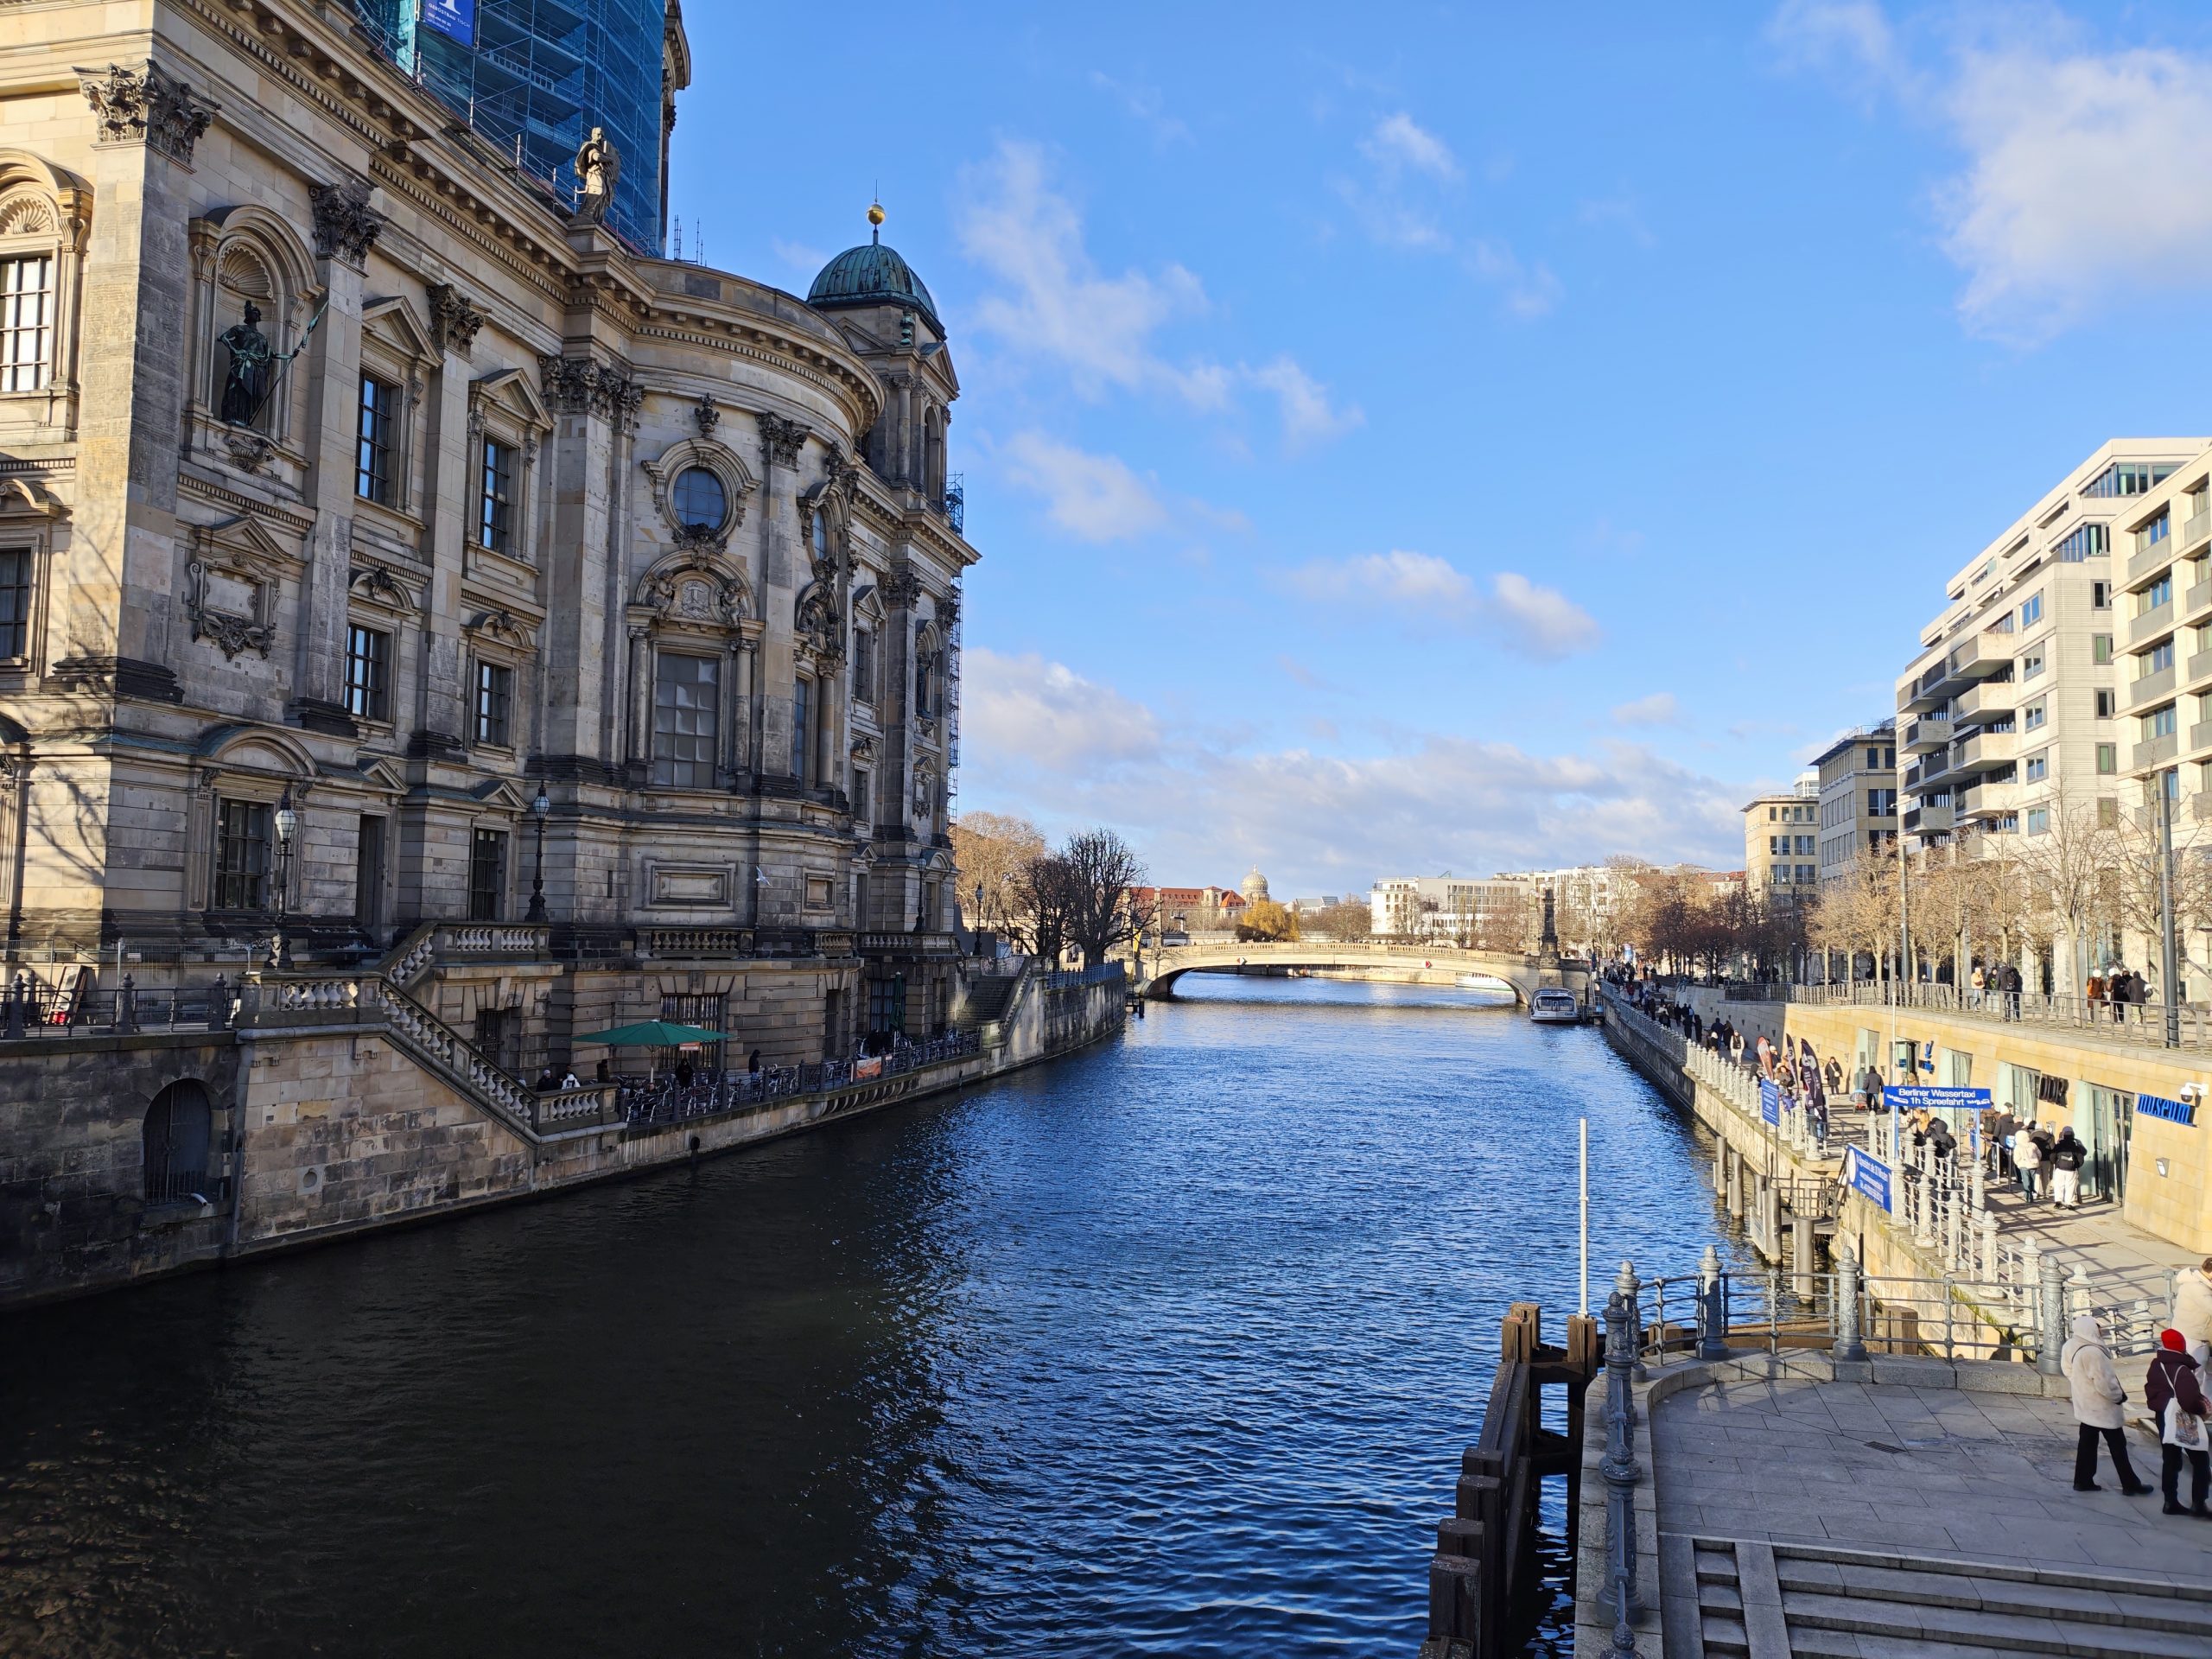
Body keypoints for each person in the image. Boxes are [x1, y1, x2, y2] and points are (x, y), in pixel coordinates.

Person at [2064, 1313, 2151, 1495]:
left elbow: (2068, 1370)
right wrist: (2118, 1397)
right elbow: (2105, 1382)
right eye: (2098, 1328)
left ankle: (2083, 1480)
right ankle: (2130, 1484)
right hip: (2102, 1407)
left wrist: (2080, 1385)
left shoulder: (2071, 1345)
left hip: (2086, 1404)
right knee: (2118, 1446)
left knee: (2087, 1445)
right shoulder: (2094, 1352)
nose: (2101, 1331)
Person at [2145, 1330, 2212, 1517]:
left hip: (2163, 1416)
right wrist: (2202, 1408)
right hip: (2181, 1418)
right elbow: (2188, 1400)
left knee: (2171, 1459)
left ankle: (2170, 1502)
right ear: (2181, 1345)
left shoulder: (2157, 1363)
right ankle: (2199, 1504)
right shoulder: (2181, 1369)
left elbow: (2151, 1389)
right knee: (2200, 1460)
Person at [2175, 1258, 2212, 1368]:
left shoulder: (2198, 1283)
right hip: (2194, 1339)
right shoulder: (2198, 1287)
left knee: (2201, 1374)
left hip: (2191, 1336)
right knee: (2197, 1374)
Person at [2049, 1126, 2087, 1209]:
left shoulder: (2058, 1146)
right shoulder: (2076, 1146)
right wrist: (2075, 1165)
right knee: (2070, 1186)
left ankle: (2058, 1202)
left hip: (2059, 1168)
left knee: (2059, 1185)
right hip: (2071, 1170)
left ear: (2063, 1135)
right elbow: (2081, 1159)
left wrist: (2056, 1163)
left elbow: (2052, 1156)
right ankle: (2069, 1203)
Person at [2015, 1119, 2044, 1203]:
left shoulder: (2018, 1146)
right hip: (2033, 1165)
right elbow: (2039, 1154)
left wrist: (2018, 1163)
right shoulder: (2032, 1145)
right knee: (2032, 1179)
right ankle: (2031, 1193)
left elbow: (2016, 1158)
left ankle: (2028, 1195)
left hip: (2023, 1165)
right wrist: (2037, 1160)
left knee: (2026, 1180)